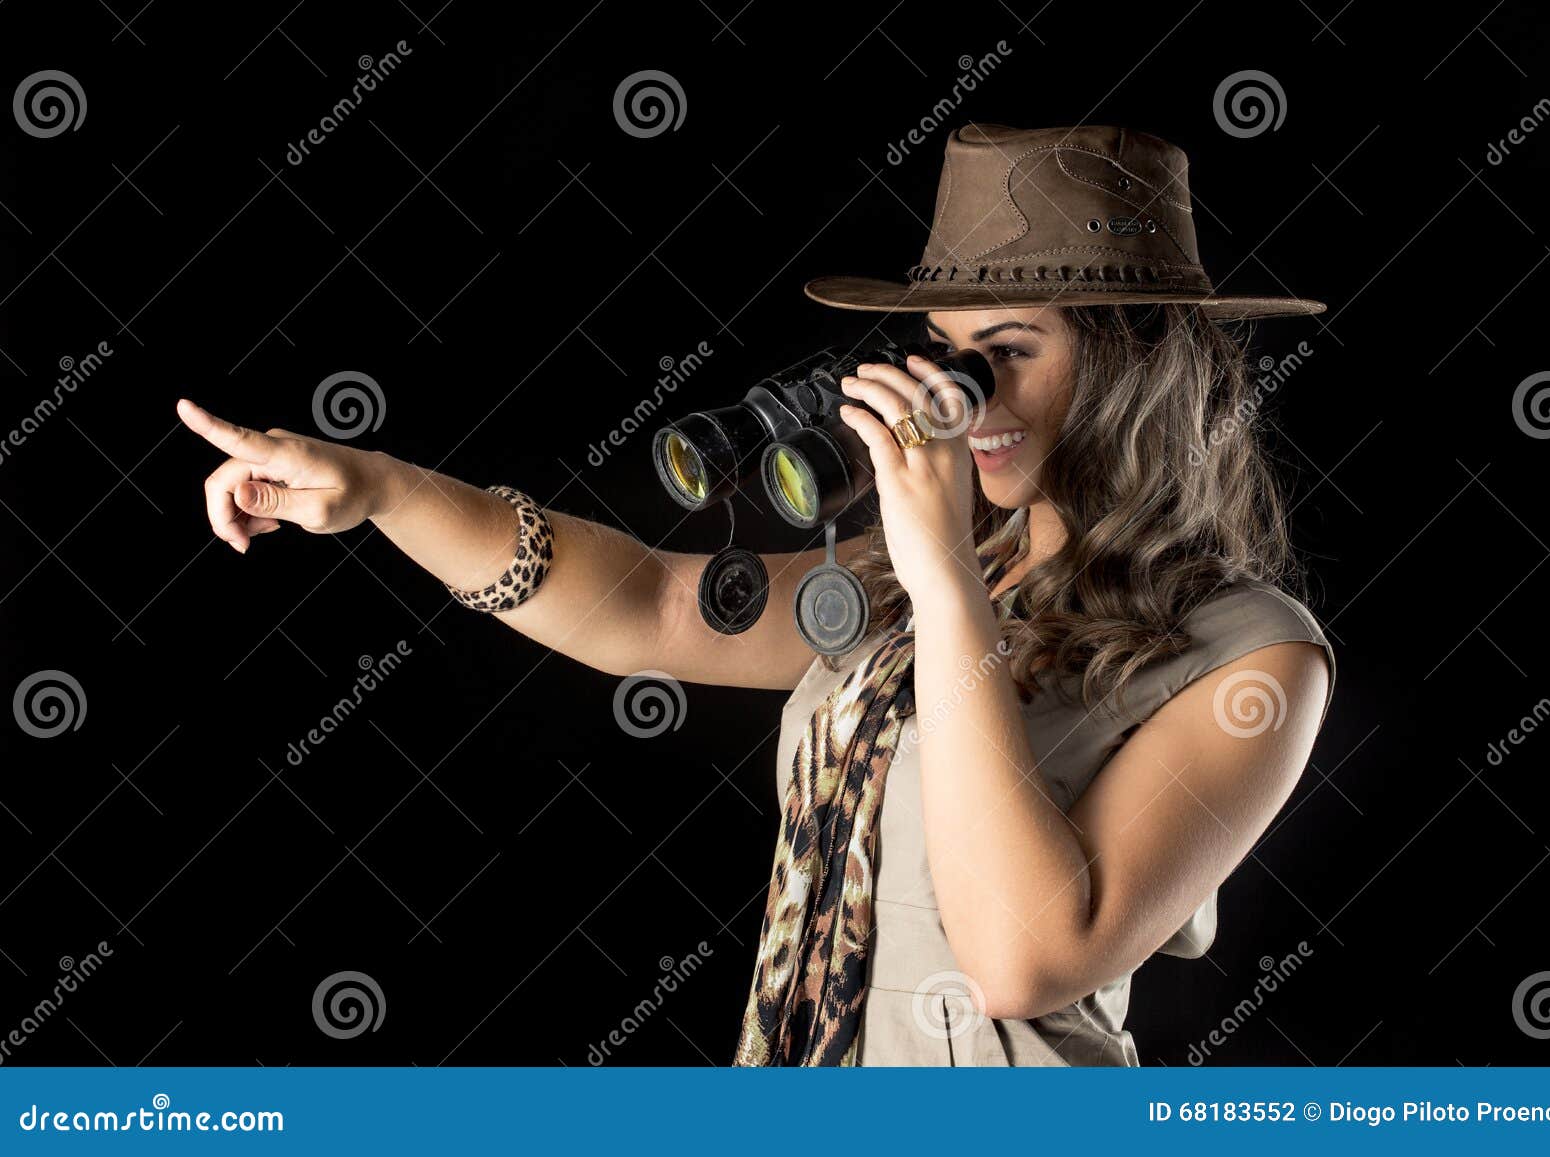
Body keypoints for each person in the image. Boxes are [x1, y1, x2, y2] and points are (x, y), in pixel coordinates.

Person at [179, 123, 1334, 1066]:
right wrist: (382, 488)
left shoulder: (1252, 658)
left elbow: (1023, 959)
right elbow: (651, 609)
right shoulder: (951, 566)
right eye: (942, 349)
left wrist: (939, 584)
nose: (960, 391)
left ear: (1136, 358)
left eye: (1008, 349)